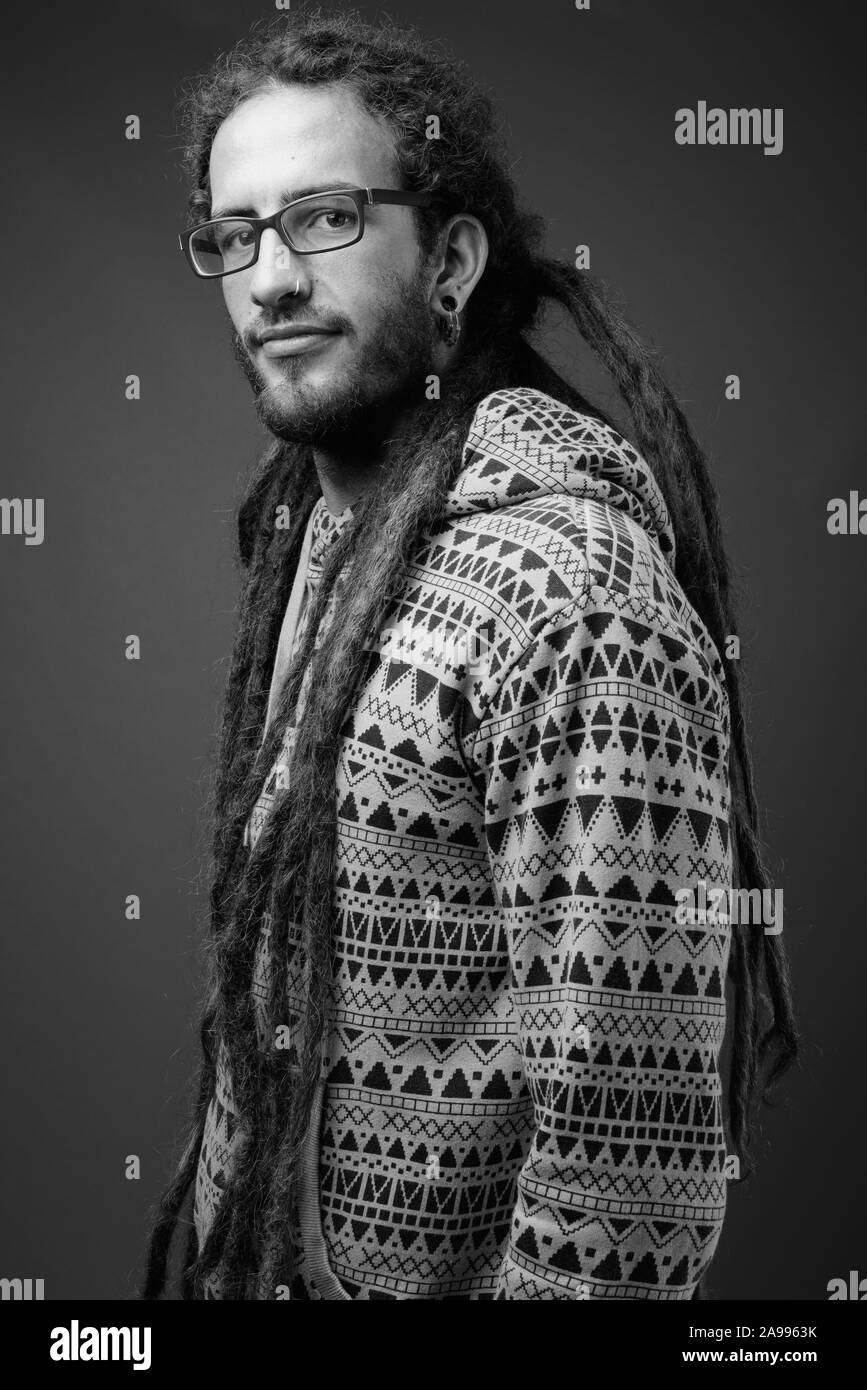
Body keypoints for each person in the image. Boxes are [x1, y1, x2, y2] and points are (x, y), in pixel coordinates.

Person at [143, 7, 797, 1301]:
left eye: (326, 218)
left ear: (449, 261)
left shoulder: (569, 592)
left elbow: (628, 1187)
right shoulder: (316, 538)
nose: (270, 276)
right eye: (236, 234)